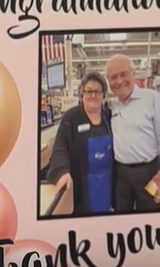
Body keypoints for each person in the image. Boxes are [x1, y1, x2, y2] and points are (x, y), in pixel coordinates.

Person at [105, 55, 160, 212]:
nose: (119, 81)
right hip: (120, 174)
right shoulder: (112, 105)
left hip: (149, 172)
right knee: (121, 217)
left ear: (133, 73)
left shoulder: (153, 99)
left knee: (149, 217)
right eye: (113, 77)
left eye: (123, 74)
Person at [47, 72, 114, 215]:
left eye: (97, 91)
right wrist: (62, 172)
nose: (93, 95)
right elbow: (61, 148)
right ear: (82, 93)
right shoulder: (72, 117)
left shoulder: (109, 115)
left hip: (107, 181)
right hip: (82, 184)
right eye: (89, 91)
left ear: (103, 95)